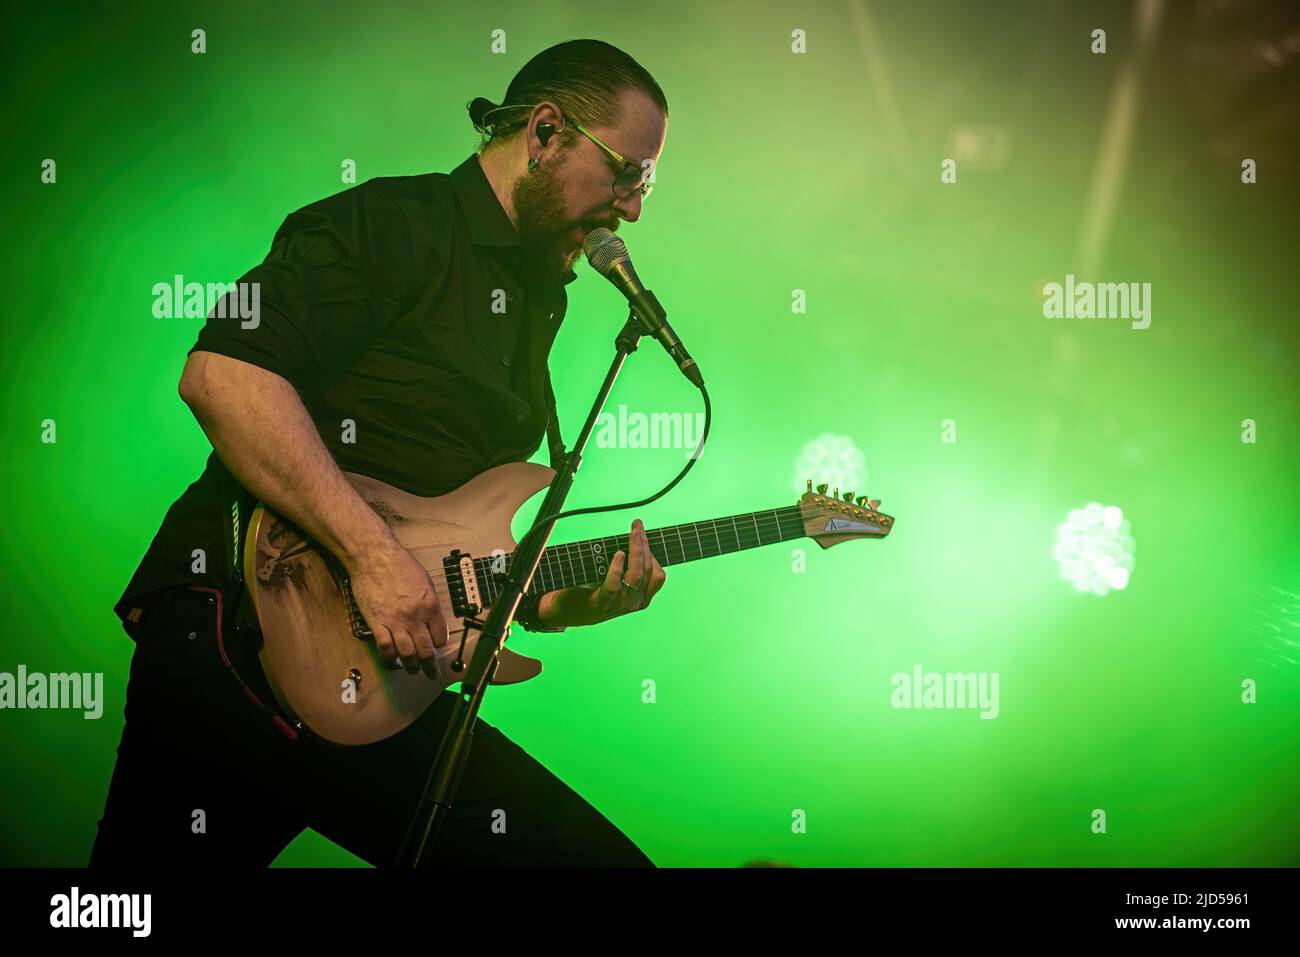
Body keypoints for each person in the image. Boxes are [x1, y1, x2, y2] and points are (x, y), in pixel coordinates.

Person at [90, 38, 669, 868]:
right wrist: (369, 554)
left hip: (370, 681)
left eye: (646, 183)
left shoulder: (539, 296)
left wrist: (559, 605)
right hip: (238, 643)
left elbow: (447, 548)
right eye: (628, 174)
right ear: (545, 132)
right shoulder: (389, 225)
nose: (634, 207)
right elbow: (222, 376)